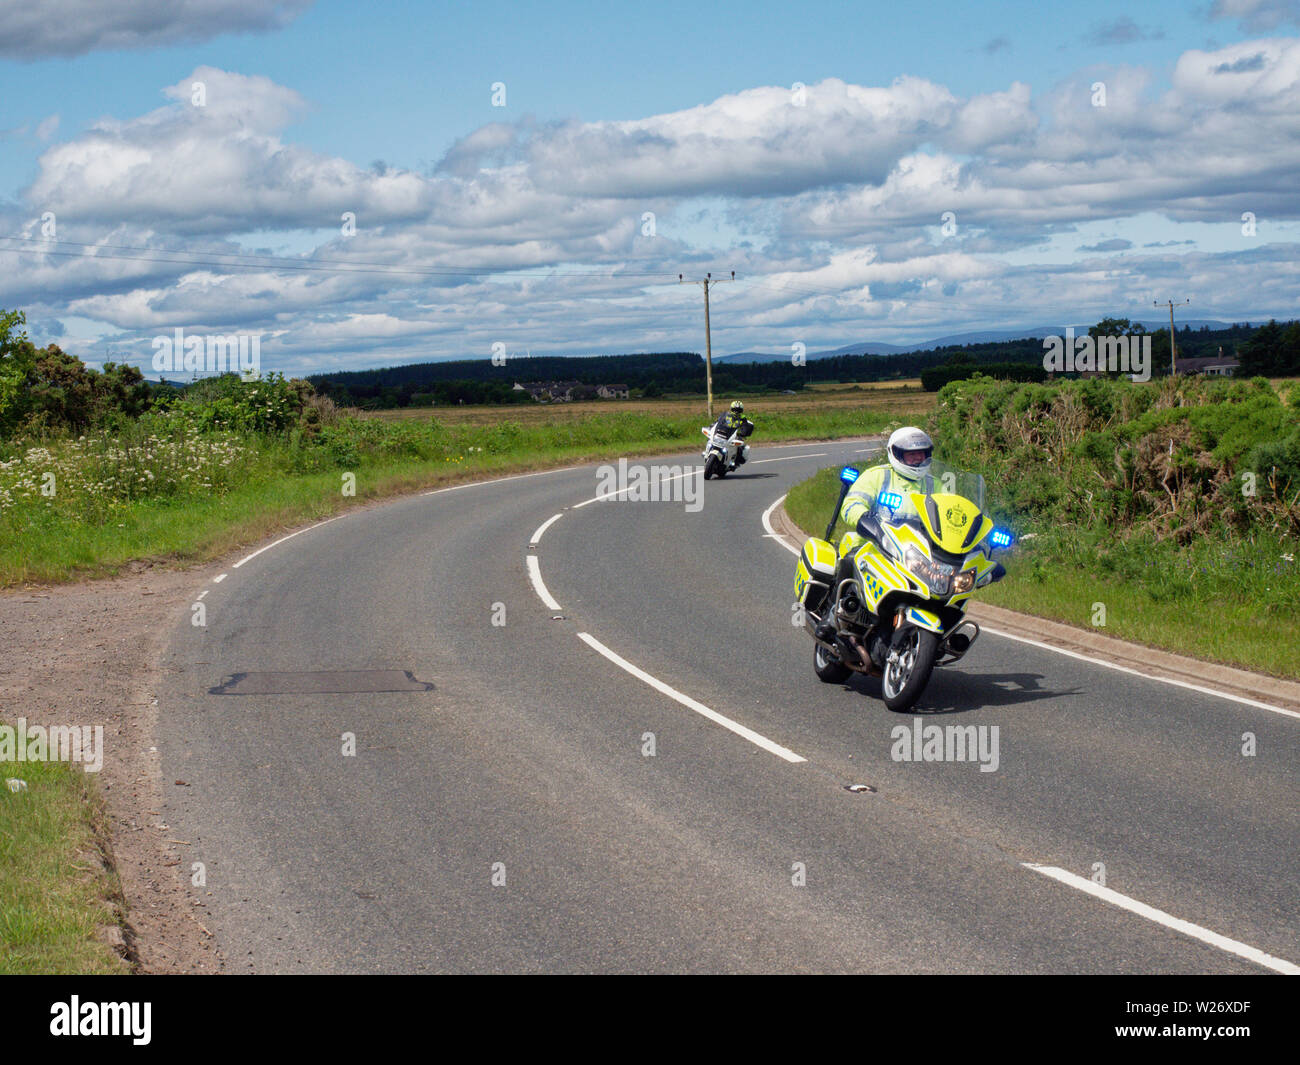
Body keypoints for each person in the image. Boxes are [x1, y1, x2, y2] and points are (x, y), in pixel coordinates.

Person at [840, 425, 934, 533]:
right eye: (912, 454)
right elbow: (851, 504)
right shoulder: (876, 476)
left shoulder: (934, 484)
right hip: (873, 544)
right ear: (897, 454)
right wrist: (865, 518)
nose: (918, 458)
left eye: (921, 453)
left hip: (917, 547)